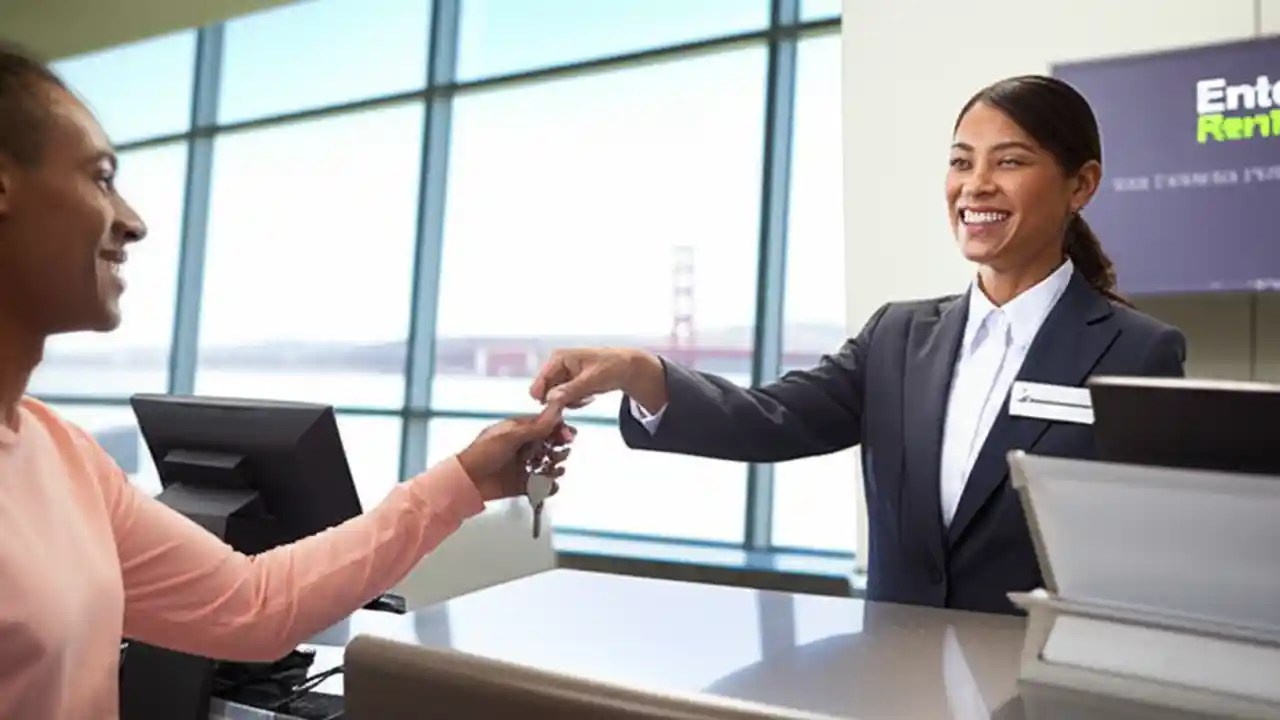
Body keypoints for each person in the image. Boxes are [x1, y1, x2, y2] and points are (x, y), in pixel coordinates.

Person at [0, 44, 573, 719]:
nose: (133, 221)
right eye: (100, 177)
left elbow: (253, 605)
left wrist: (468, 481)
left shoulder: (61, 453)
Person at [530, 74, 1186, 615]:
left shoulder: (1139, 353)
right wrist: (637, 371)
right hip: (894, 684)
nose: (976, 184)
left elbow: (1154, 562)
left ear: (1081, 185)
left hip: (1041, 689)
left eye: (1009, 161)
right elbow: (769, 419)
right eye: (961, 161)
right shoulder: (896, 337)